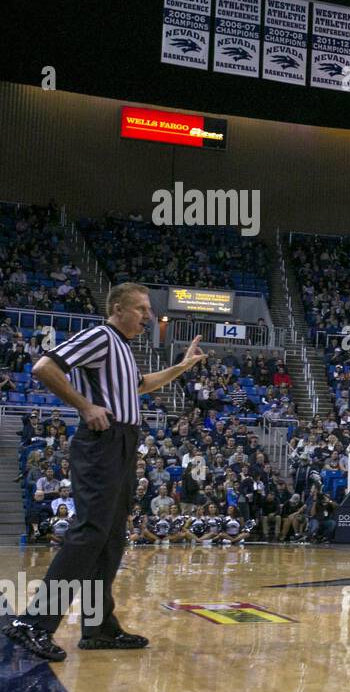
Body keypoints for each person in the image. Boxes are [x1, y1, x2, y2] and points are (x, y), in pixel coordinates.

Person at [3, 283, 207, 661]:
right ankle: (33, 623)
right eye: (141, 309)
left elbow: (141, 386)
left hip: (124, 442)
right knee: (89, 532)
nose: (147, 316)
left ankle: (98, 628)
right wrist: (84, 406)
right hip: (102, 440)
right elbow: (44, 367)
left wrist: (181, 367)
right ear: (117, 308)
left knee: (111, 538)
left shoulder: (123, 349)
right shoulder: (100, 336)